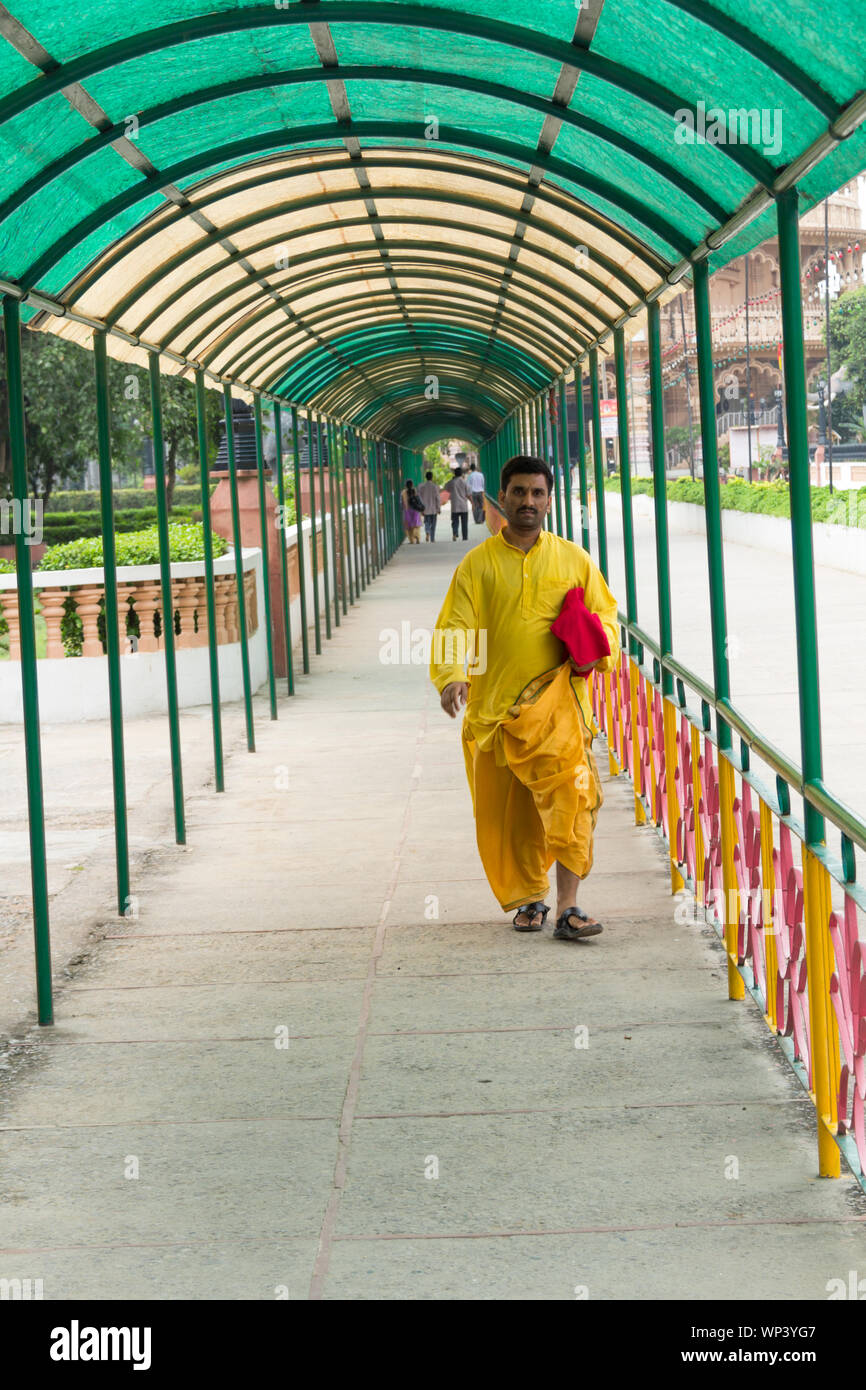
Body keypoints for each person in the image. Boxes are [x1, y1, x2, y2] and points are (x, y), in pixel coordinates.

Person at [430, 454, 619, 941]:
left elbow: (606, 619)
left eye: (537, 493)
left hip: (559, 712)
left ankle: (569, 908)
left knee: (572, 802)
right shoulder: (478, 565)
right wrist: (453, 675)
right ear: (502, 497)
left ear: (549, 500)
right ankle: (530, 899)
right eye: (519, 492)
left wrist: (599, 650)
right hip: (496, 716)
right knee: (513, 819)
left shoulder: (574, 560)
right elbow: (456, 622)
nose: (528, 502)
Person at [444, 467, 470, 541]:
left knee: (455, 521)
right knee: (464, 523)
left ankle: (455, 533)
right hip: (463, 506)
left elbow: (446, 488)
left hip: (455, 505)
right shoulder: (464, 482)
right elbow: (468, 494)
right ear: (461, 474)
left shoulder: (452, 482)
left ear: (454, 474)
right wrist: (472, 502)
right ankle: (465, 537)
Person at [417, 470, 442, 542]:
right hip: (433, 509)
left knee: (426, 522)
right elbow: (437, 498)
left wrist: (421, 507)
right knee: (433, 524)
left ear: (426, 477)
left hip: (425, 508)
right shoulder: (435, 486)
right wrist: (439, 508)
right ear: (432, 477)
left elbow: (419, 497)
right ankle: (432, 538)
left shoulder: (422, 486)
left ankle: (427, 531)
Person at [401, 478, 423, 544]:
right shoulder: (415, 491)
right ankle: (417, 536)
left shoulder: (403, 492)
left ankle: (411, 540)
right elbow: (418, 500)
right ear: (412, 484)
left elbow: (402, 503)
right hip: (415, 510)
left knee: (409, 526)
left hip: (407, 510)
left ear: (405, 485)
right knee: (416, 525)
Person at [466, 459, 486, 524]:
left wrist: (469, 495)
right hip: (480, 492)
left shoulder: (470, 476)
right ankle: (480, 520)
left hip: (473, 493)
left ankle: (476, 520)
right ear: (476, 468)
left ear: (471, 469)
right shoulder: (481, 475)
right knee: (481, 506)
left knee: (475, 506)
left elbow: (468, 486)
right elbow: (483, 484)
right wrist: (483, 492)